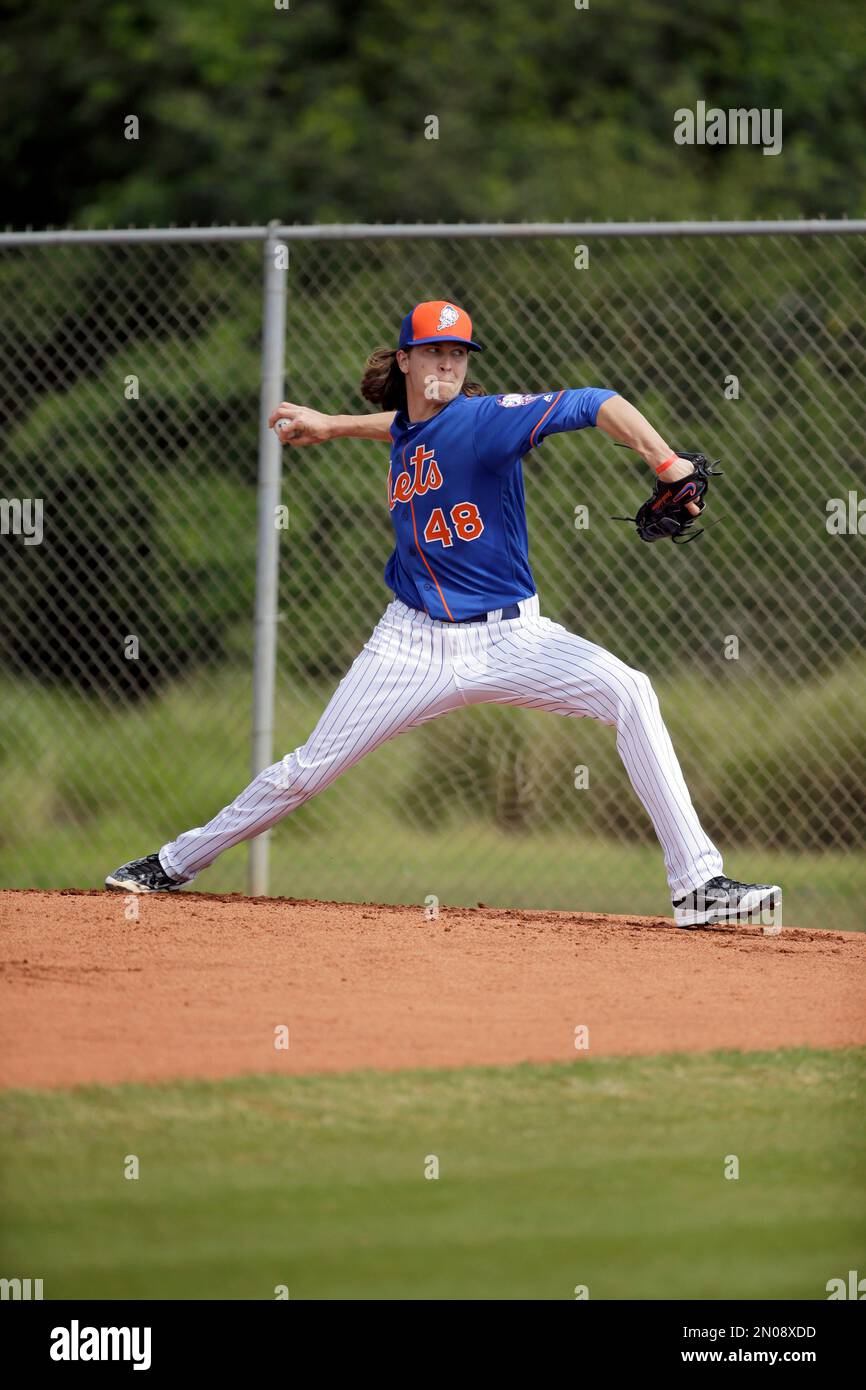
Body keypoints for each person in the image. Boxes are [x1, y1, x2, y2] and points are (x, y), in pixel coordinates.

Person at [106, 300, 780, 928]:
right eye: (433, 352)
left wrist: (664, 462)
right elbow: (403, 428)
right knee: (307, 769)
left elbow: (597, 403)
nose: (449, 364)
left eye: (459, 352)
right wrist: (335, 424)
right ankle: (173, 863)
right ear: (405, 360)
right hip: (410, 643)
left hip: (514, 638)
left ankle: (698, 887)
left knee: (631, 691)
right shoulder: (408, 426)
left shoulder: (488, 420)